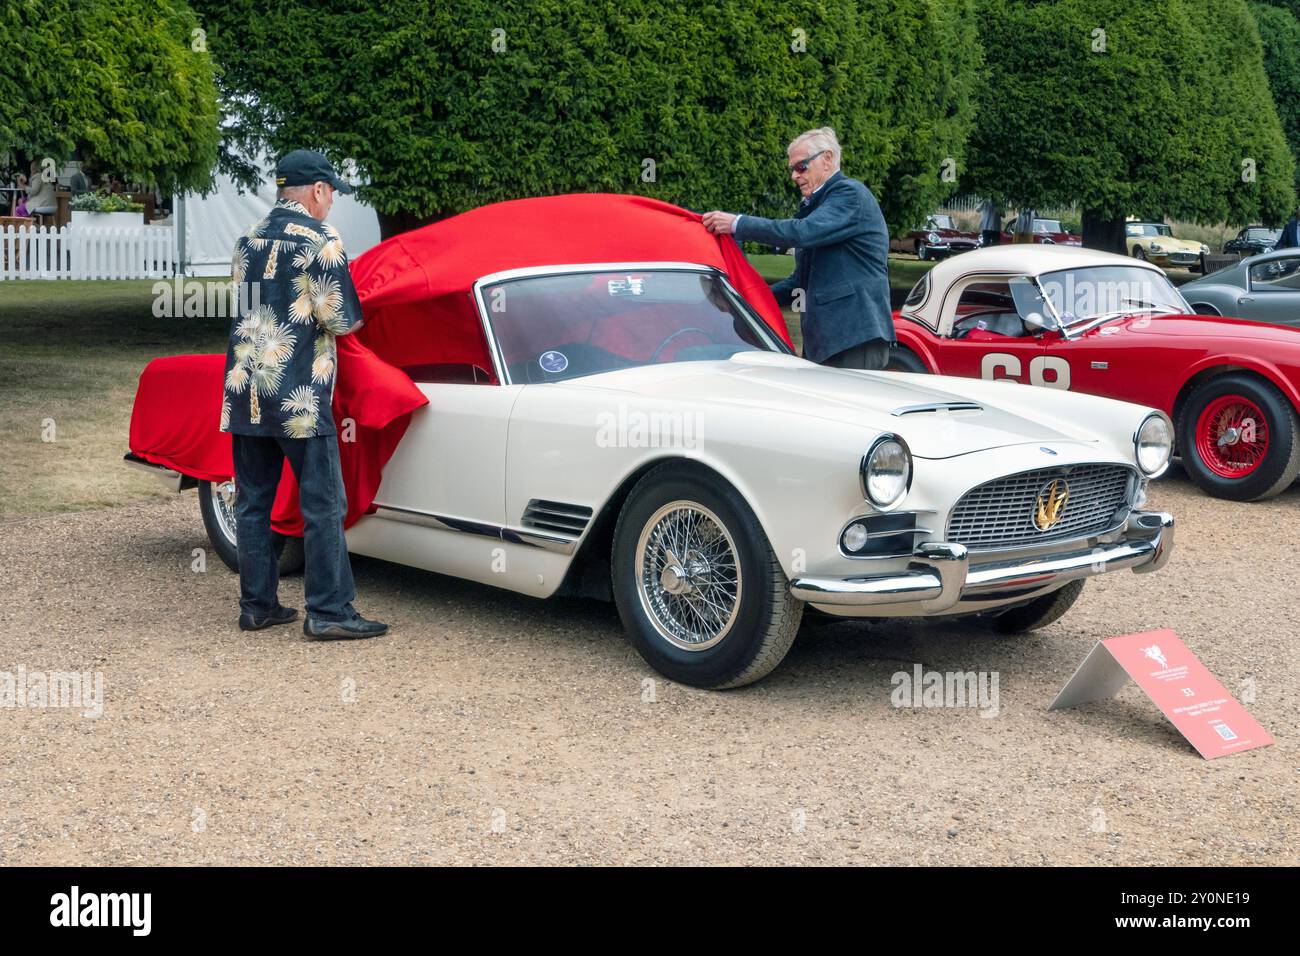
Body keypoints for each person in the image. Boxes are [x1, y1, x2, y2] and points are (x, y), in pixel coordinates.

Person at [220, 148, 387, 641]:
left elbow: (251, 308)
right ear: (316, 190)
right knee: (322, 504)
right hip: (299, 395)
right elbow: (340, 318)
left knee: (252, 503)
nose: (332, 202)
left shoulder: (246, 240)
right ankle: (330, 611)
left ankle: (258, 606)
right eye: (331, 192)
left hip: (244, 389)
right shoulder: (321, 239)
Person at [702, 127, 894, 369]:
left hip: (855, 338)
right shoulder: (820, 207)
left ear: (827, 159)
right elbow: (799, 283)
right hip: (826, 343)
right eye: (792, 169)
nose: (794, 175)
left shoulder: (849, 194)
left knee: (850, 407)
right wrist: (747, 301)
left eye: (801, 166)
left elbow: (801, 232)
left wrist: (737, 223)